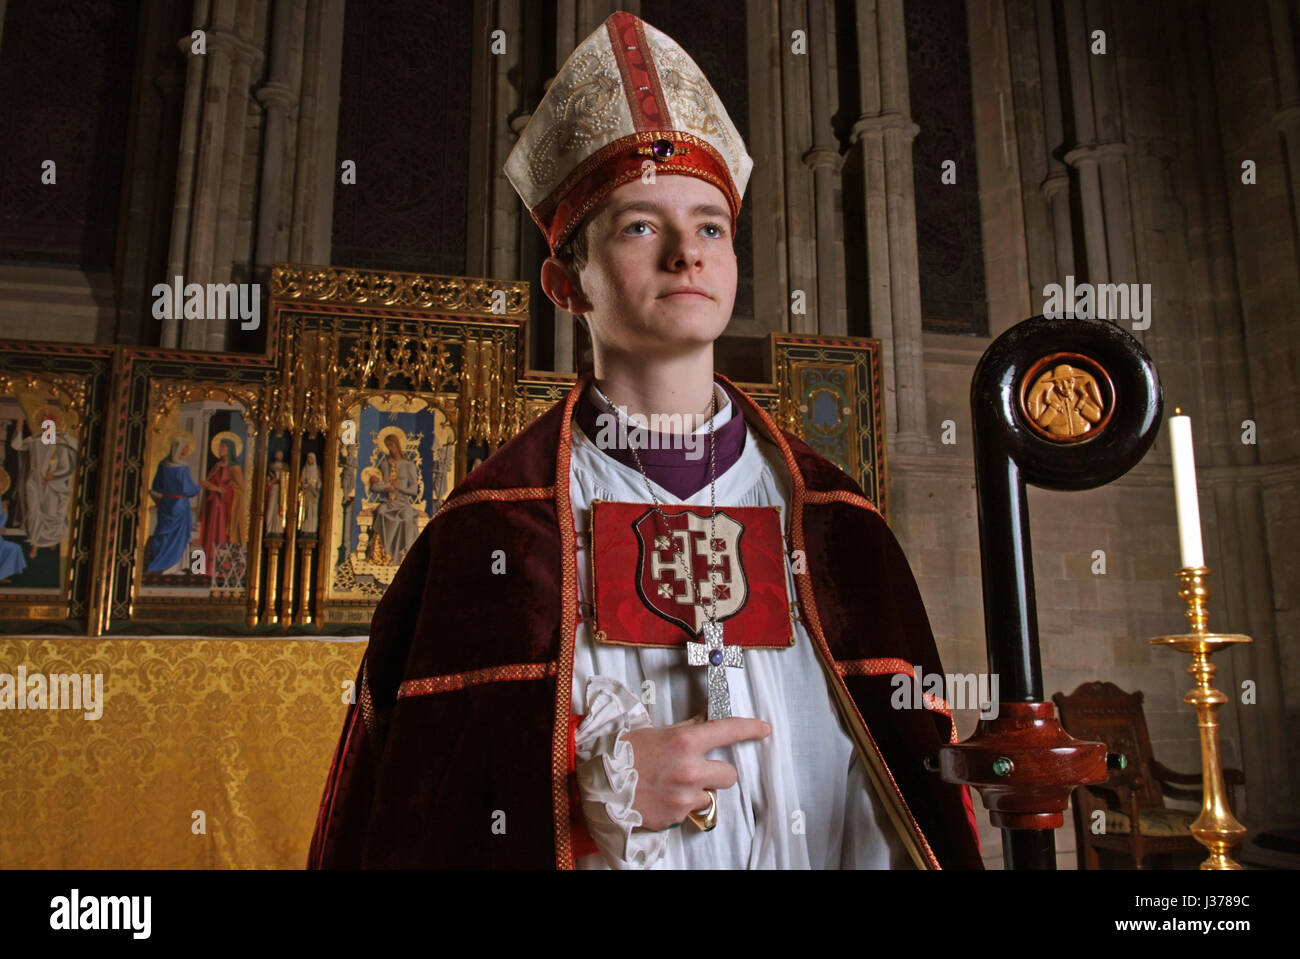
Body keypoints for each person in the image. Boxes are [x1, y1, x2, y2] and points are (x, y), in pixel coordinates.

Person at [309, 10, 980, 870]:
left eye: (710, 227)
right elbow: (414, 810)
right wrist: (583, 791)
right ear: (566, 283)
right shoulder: (487, 539)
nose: (684, 256)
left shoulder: (841, 526)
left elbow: (909, 788)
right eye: (637, 227)